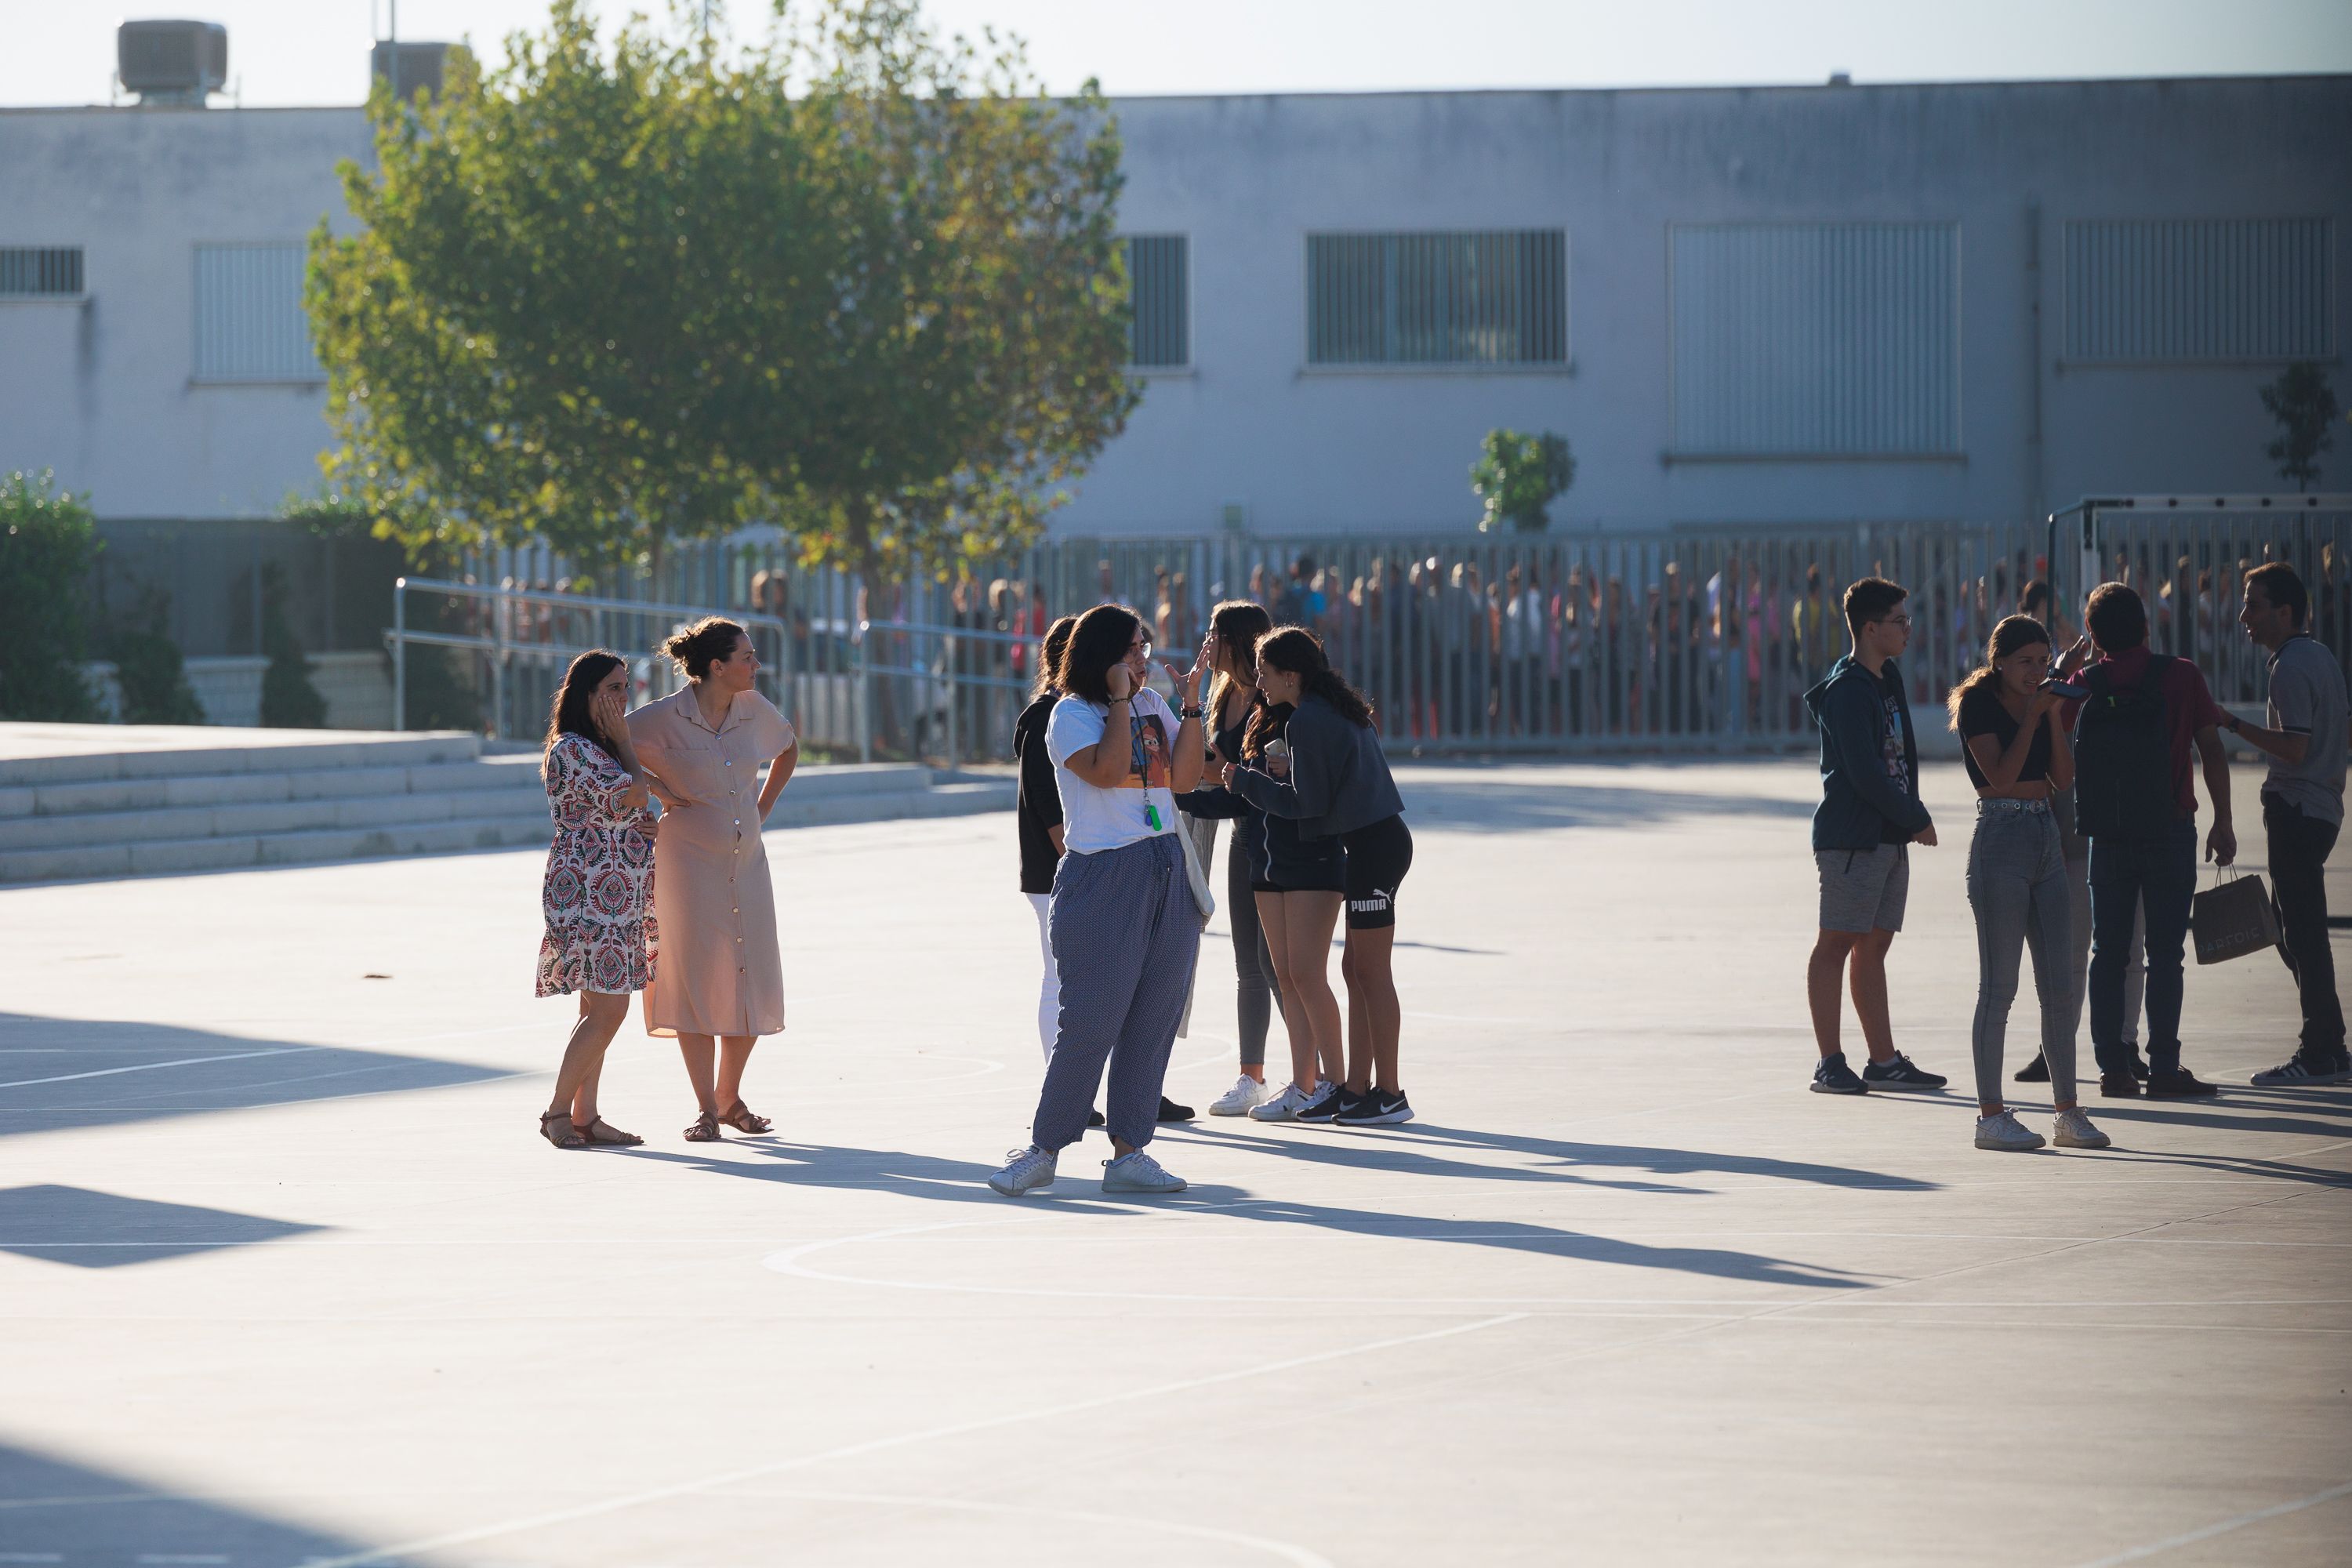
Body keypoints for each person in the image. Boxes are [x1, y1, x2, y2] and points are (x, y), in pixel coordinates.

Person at [987, 608, 1210, 1198]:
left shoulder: (1151, 706)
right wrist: (1116, 700)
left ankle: (1131, 1152)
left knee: (1152, 1019)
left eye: (1145, 647)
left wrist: (1191, 707)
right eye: (1135, 649)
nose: (1144, 659)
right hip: (1102, 874)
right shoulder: (1068, 715)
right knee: (1089, 1022)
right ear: (1105, 655)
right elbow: (1109, 772)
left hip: (1166, 864)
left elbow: (1185, 780)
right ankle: (1044, 1150)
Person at [1226, 626, 1416, 1126]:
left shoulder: (1308, 719)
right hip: (1376, 845)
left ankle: (1389, 1094)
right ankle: (1356, 1088)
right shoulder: (1330, 708)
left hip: (1376, 849)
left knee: (1371, 974)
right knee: (1356, 972)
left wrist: (1241, 781)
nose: (1260, 683)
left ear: (1291, 674)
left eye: (1265, 673)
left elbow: (1305, 806)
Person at [626, 617, 800, 1141]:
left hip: (747, 864)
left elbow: (787, 747)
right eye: (746, 656)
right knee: (695, 976)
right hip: (685, 865)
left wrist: (762, 807)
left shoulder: (754, 709)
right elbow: (612, 747)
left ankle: (730, 1097)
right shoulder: (661, 717)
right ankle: (705, 1107)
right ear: (716, 666)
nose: (756, 664)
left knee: (749, 971)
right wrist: (654, 788)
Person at [2061, 583, 2234, 1098]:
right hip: (2170, 829)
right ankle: (2162, 1068)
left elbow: (2051, 727)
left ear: (2092, 634)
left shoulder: (2084, 682)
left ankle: (2113, 1070)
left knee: (2108, 952)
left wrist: (2071, 666)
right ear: (2145, 626)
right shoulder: (2181, 675)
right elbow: (2212, 750)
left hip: (2108, 835)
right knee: (2165, 954)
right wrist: (2223, 820)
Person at [1947, 616, 2111, 1152]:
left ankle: (2067, 1110)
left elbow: (2062, 779)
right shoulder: (1979, 703)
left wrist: (2055, 717)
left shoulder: (2043, 702)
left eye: (2043, 661)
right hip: (2000, 837)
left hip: (2045, 833)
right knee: (2000, 987)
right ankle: (1990, 1115)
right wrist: (2035, 715)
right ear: (1999, 660)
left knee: (2060, 984)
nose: (2035, 671)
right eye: (2024, 661)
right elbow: (1999, 773)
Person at [1801, 578, 1950, 1095]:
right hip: (1853, 838)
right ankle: (1829, 1062)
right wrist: (1914, 815)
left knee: (1875, 944)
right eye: (1899, 621)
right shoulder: (1847, 690)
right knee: (1836, 942)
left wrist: (1906, 819)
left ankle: (1883, 1061)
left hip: (1889, 835)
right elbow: (1864, 773)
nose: (1909, 629)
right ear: (1870, 627)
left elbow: (1899, 758)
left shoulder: (1888, 678)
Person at [2226, 564, 2349, 1084]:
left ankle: (2319, 1049)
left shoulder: (2290, 667)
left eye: (2253, 604)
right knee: (2291, 930)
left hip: (2298, 808)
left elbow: (2294, 747)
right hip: (2318, 809)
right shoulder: (2317, 657)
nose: (2244, 615)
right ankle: (2329, 1040)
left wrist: (2230, 723)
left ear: (2285, 611)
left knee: (2300, 934)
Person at [533, 650, 655, 1150]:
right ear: (585, 694)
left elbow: (629, 807)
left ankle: (586, 1116)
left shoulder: (597, 748)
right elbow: (633, 792)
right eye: (612, 689)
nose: (623, 698)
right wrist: (628, 747)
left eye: (626, 687)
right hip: (588, 891)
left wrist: (643, 825)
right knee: (609, 1010)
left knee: (595, 1007)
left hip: (615, 889)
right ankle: (558, 1112)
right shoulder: (572, 749)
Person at [1172, 599, 1289, 1116]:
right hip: (1244, 835)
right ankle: (1252, 1076)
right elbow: (1212, 771)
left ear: (1238, 641)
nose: (1206, 642)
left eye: (1215, 634)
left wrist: (1193, 787)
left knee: (1285, 965)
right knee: (1249, 965)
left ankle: (1319, 1072)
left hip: (1279, 840)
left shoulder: (1272, 699)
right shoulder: (1223, 697)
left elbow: (1243, 780)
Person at [1012, 616, 1080, 1061]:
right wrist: (1079, 865)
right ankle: (1065, 1090)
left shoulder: (1075, 714)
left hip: (1077, 865)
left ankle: (1126, 1086)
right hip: (1057, 872)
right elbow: (1049, 804)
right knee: (1060, 978)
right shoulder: (1045, 718)